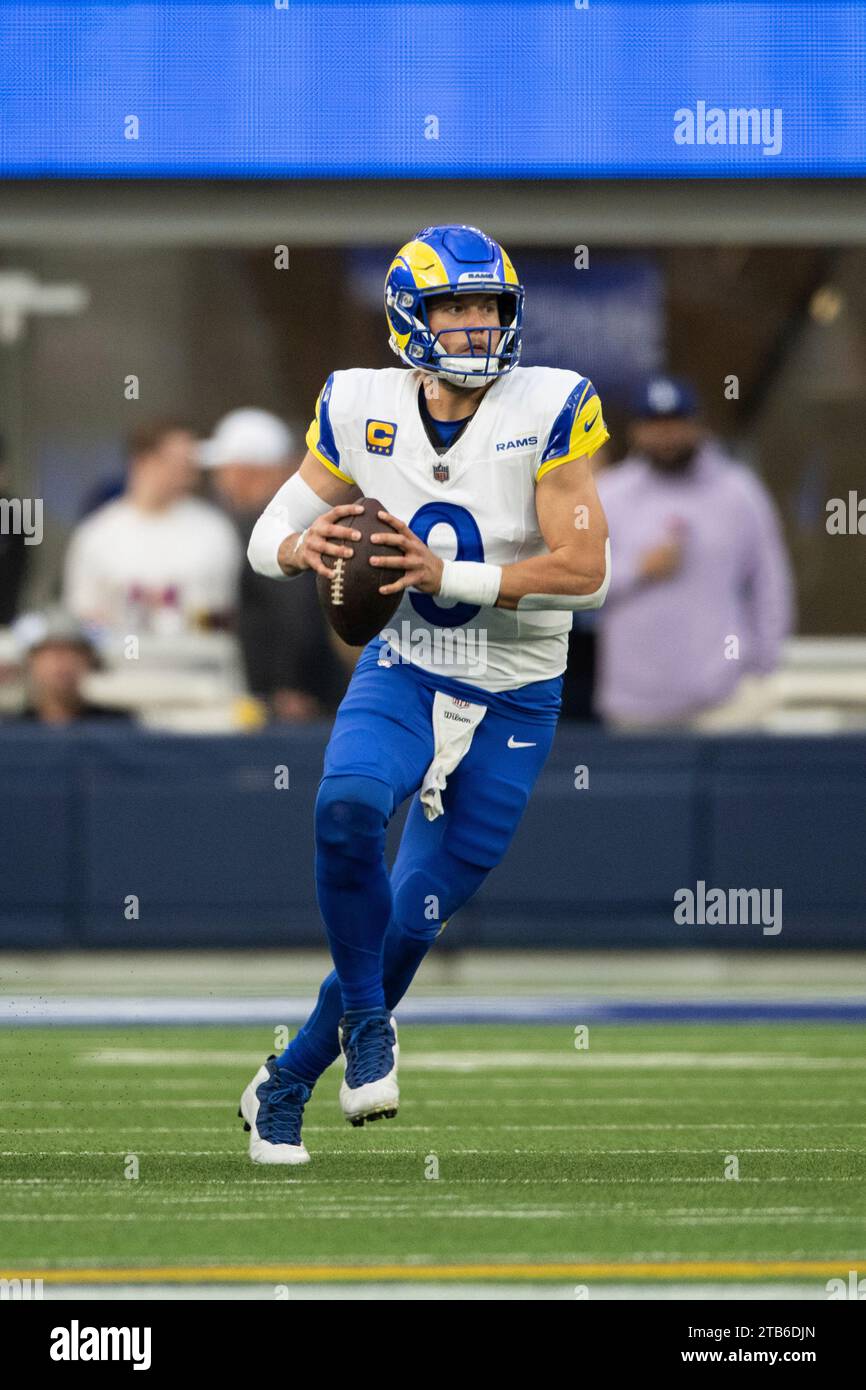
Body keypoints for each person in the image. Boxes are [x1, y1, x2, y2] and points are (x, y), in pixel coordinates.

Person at [240, 223, 611, 1163]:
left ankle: (285, 1081)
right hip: (406, 665)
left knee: (413, 919)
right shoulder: (359, 402)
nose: (476, 323)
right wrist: (301, 548)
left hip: (517, 695)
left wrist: (447, 573)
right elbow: (267, 533)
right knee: (346, 806)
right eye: (456, 306)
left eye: (488, 306)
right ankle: (371, 1024)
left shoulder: (553, 404)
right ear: (411, 315)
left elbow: (588, 571)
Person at [594, 376, 795, 729]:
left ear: (698, 425)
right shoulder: (608, 495)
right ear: (637, 431)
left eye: (675, 423)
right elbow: (574, 586)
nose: (666, 436)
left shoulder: (739, 492)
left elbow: (770, 579)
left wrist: (765, 663)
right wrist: (638, 568)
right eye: (655, 425)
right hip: (635, 703)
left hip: (726, 700)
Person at [199, 408, 346, 719]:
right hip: (291, 695)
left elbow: (297, 615)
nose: (220, 481)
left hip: (291, 702)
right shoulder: (293, 520)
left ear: (246, 471)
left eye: (224, 470)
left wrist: (289, 686)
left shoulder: (269, 530)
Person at [63, 420, 242, 640]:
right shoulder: (97, 534)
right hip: (122, 669)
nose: (189, 472)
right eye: (178, 461)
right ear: (142, 461)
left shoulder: (214, 530)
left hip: (198, 666)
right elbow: (81, 616)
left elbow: (230, 614)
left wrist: (180, 613)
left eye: (191, 462)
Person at [13, 609, 131, 725]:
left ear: (89, 661)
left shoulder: (117, 727)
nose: (62, 662)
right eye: (52, 652)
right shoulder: (12, 732)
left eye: (73, 652)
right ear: (31, 661)